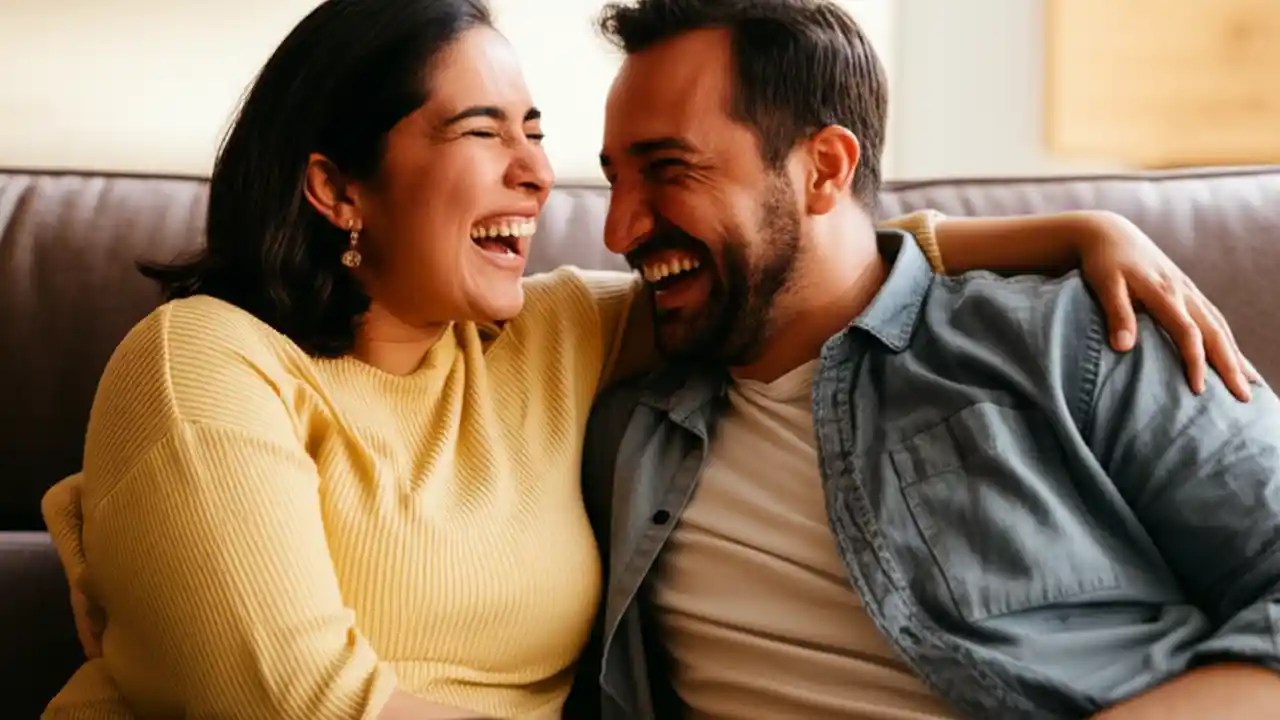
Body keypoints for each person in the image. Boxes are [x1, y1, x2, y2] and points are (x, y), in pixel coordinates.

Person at [39, 0, 1255, 719]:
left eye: (538, 135)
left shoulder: (554, 340)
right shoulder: (207, 365)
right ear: (335, 186)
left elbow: (819, 268)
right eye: (481, 132)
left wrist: (1080, 230)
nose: (556, 188)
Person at [579, 1, 1280, 719]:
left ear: (825, 169)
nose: (619, 228)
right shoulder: (613, 426)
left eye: (669, 171)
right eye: (615, 181)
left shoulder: (1077, 338)